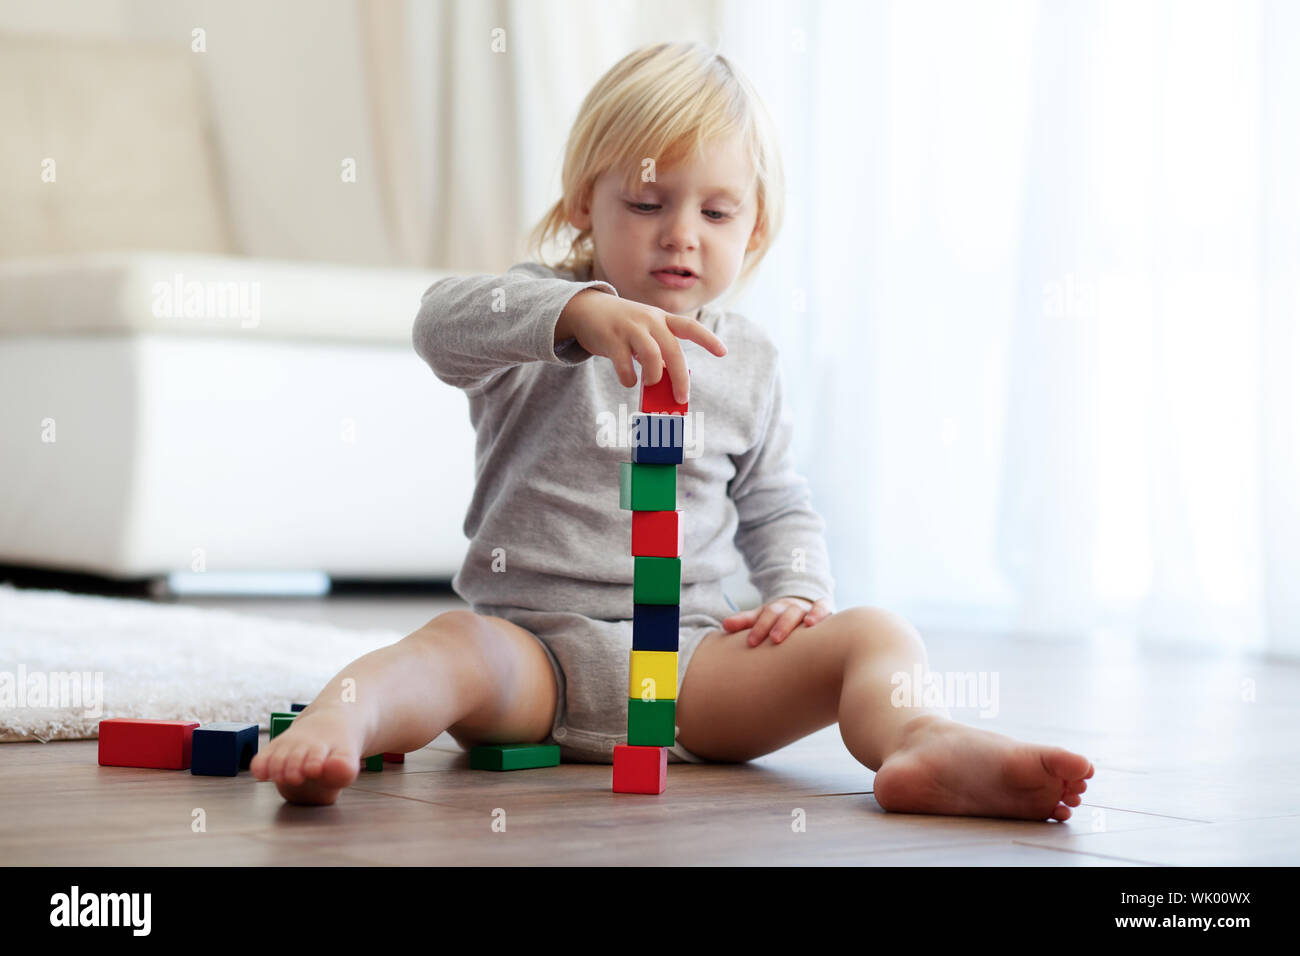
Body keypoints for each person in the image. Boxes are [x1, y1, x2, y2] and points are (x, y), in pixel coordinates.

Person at [252, 41, 1093, 819]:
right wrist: (577, 314)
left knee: (878, 634)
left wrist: (800, 593)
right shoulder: (537, 315)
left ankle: (918, 740)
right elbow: (440, 323)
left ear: (755, 229)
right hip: (532, 656)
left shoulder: (750, 360)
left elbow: (775, 502)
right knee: (447, 646)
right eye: (648, 201)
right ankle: (343, 721)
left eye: (719, 214)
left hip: (695, 666)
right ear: (586, 204)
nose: (682, 234)